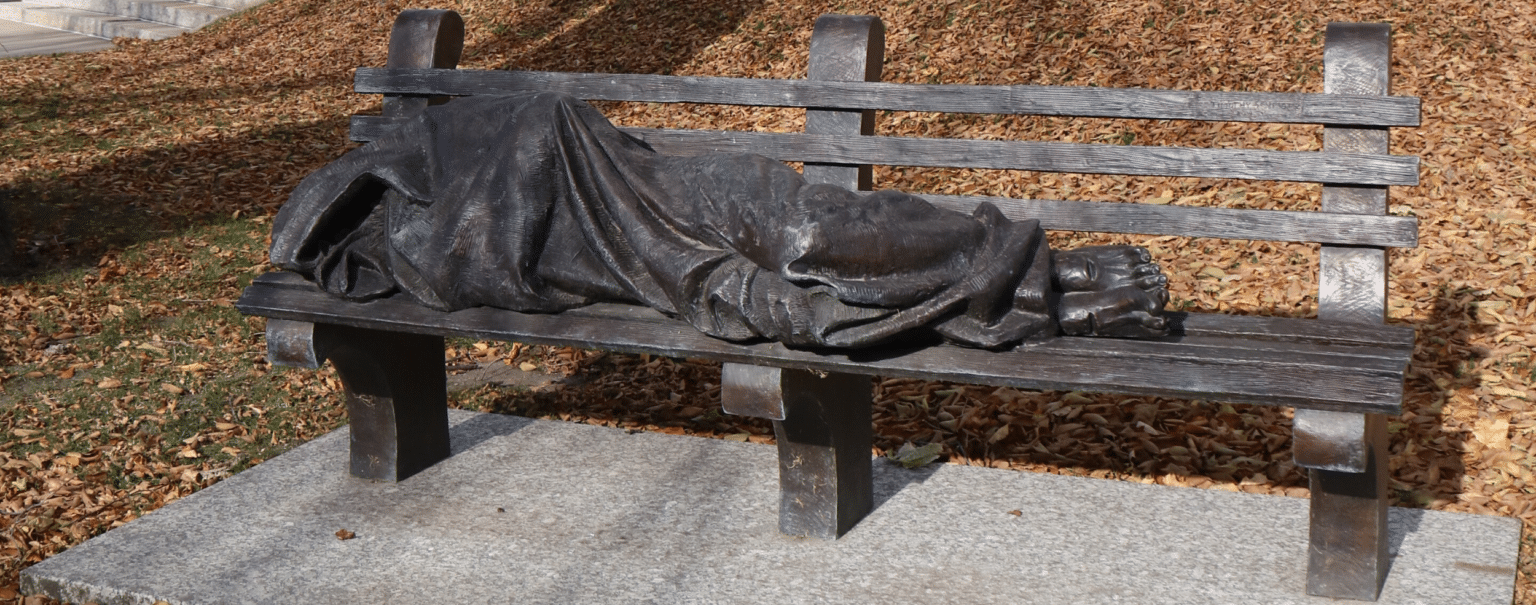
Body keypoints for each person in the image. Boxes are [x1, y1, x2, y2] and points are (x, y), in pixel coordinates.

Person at [269, 92, 1168, 349]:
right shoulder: (421, 252)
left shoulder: (438, 147)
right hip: (631, 259)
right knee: (791, 302)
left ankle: (1032, 265)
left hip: (671, 197)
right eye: (341, 241)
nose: (355, 234)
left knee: (816, 234)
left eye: (346, 217)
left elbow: (551, 124)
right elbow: (499, 268)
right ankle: (1046, 301)